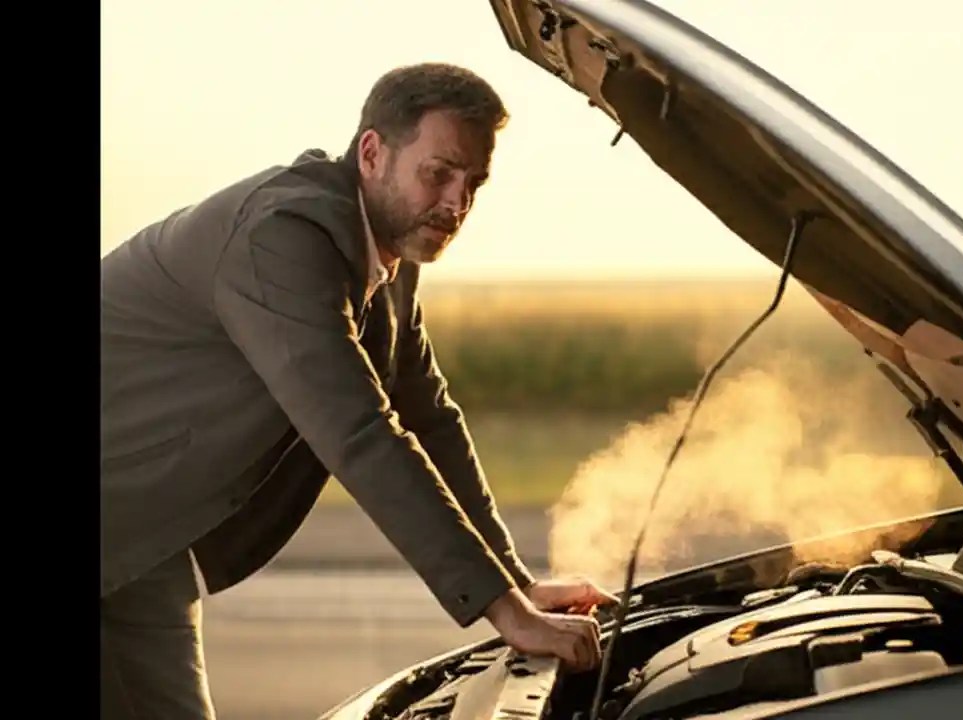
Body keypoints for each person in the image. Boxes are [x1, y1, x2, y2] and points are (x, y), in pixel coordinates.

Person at [100, 62, 616, 719]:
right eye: (439, 173)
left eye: (474, 183)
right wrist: (504, 612)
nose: (457, 204)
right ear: (372, 153)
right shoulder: (282, 239)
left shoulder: (385, 258)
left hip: (143, 543)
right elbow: (360, 432)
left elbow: (427, 416)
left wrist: (515, 582)